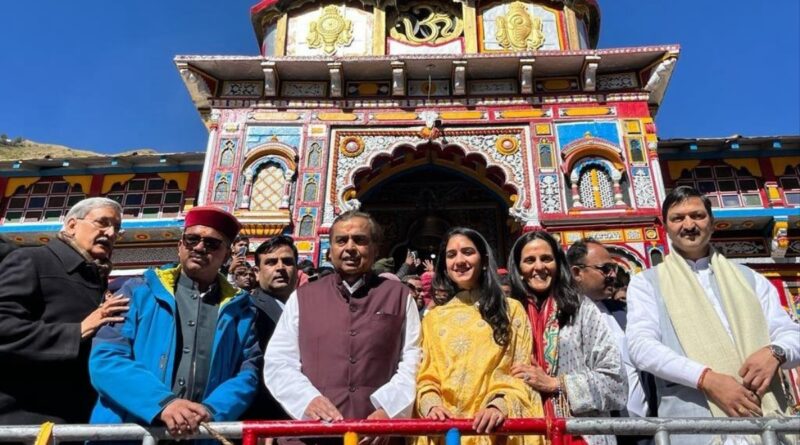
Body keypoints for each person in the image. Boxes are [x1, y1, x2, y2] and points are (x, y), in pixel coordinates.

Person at [627, 186, 800, 445]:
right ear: (665, 227)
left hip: (767, 425)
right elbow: (641, 347)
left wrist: (775, 352)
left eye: (697, 216)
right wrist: (705, 379)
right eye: (678, 218)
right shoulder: (647, 284)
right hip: (698, 429)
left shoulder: (750, 279)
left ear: (712, 223)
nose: (689, 225)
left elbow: (791, 334)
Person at [89, 206, 260, 438]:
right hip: (130, 432)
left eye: (212, 244)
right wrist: (163, 403)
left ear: (227, 255)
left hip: (201, 432)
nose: (199, 247)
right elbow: (106, 358)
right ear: (180, 246)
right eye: (192, 239)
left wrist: (212, 410)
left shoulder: (241, 311)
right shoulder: (138, 292)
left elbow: (247, 372)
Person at [264, 210, 420, 443]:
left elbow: (413, 359)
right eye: (341, 240)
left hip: (376, 435)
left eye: (359, 240)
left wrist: (388, 410)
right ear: (330, 251)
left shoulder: (398, 296)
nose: (350, 248)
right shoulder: (304, 297)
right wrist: (308, 400)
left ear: (375, 249)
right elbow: (280, 360)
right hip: (313, 434)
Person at [0, 197, 126, 424]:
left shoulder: (98, 279)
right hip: (23, 419)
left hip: (77, 420)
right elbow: (4, 328)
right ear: (72, 225)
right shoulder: (33, 260)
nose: (110, 233)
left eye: (116, 228)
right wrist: (77, 331)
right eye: (102, 223)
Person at [416, 228, 544, 445]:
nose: (459, 261)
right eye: (451, 255)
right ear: (445, 266)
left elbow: (521, 370)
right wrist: (431, 405)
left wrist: (499, 405)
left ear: (484, 260)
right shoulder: (433, 319)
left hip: (495, 429)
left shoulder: (511, 310)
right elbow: (426, 375)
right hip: (447, 431)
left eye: (468, 252)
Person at [507, 231, 626, 445]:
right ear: (518, 269)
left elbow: (616, 382)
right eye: (529, 260)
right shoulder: (507, 315)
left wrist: (556, 384)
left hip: (579, 434)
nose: (539, 267)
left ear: (558, 264)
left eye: (546, 258)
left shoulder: (581, 310)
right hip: (522, 433)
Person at [567, 239, 651, 445]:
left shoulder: (625, 312)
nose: (613, 275)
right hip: (601, 431)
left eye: (614, 268)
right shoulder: (564, 321)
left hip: (648, 431)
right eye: (605, 269)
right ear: (577, 273)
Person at [244, 235, 299, 420]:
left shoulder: (306, 306)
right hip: (264, 413)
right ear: (257, 272)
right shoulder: (249, 309)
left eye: (287, 262)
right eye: (271, 262)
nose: (280, 268)